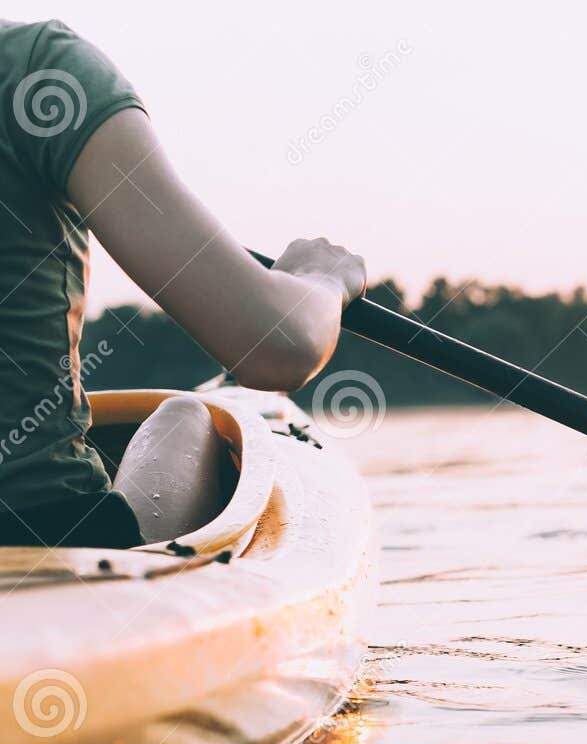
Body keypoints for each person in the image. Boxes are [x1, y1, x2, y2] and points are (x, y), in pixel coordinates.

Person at [0, 19, 366, 548]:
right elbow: (276, 345)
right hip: (43, 534)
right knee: (184, 419)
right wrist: (320, 278)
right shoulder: (37, 68)